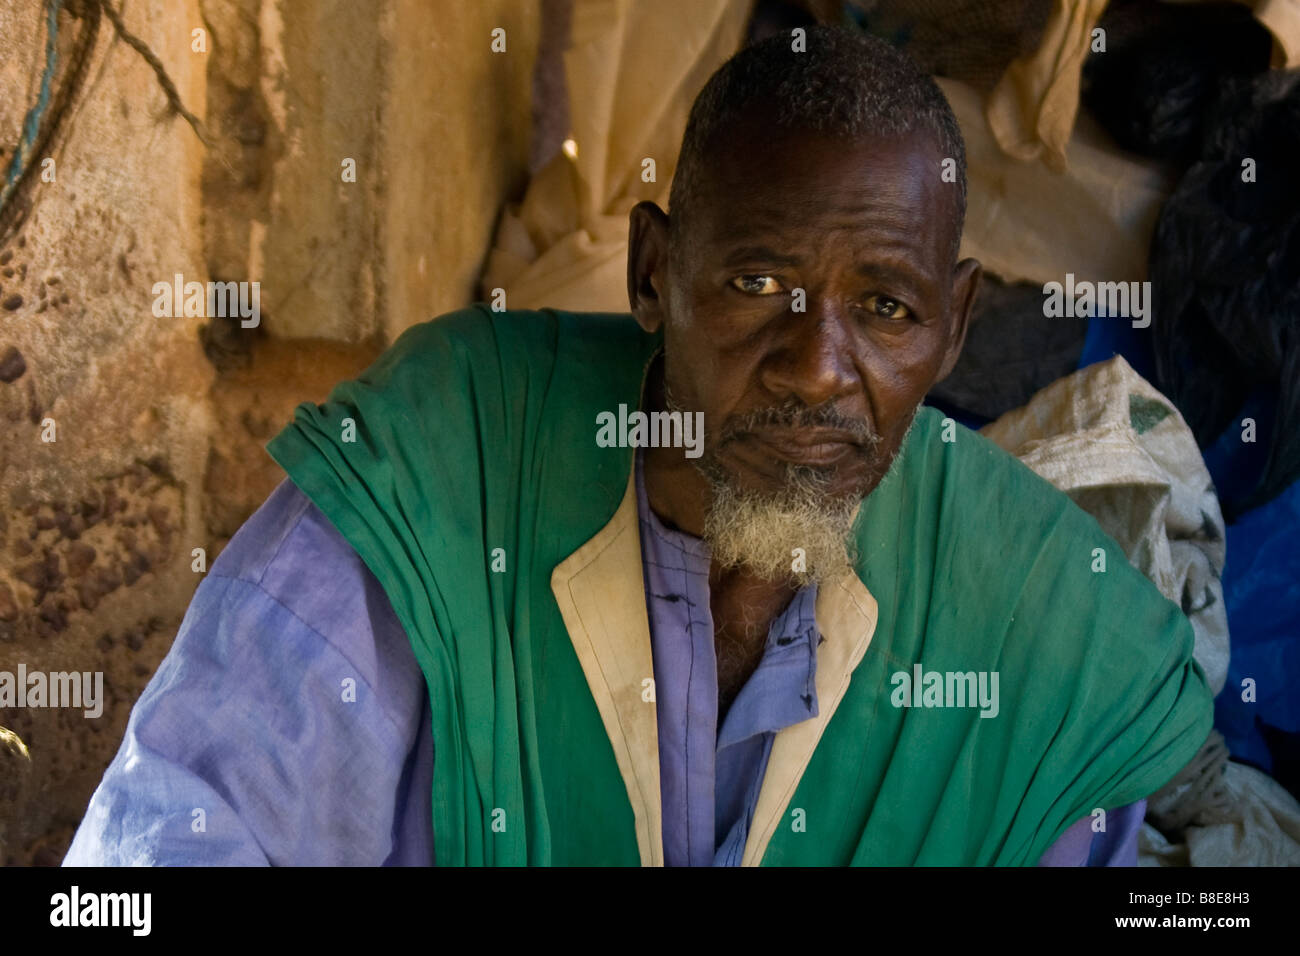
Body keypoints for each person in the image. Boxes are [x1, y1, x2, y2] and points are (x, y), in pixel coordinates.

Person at [65, 26, 1211, 867]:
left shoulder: (1037, 622)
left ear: (955, 326)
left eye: (885, 310)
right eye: (758, 282)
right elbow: (178, 830)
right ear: (651, 270)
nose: (817, 367)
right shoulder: (453, 454)